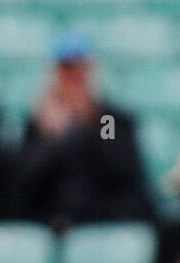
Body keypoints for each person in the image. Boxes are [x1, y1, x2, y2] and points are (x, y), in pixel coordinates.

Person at [13, 33, 153, 230]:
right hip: (54, 221)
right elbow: (25, 179)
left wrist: (90, 120)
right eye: (67, 69)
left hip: (103, 220)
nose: (75, 77)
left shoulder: (107, 118)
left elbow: (120, 168)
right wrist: (53, 138)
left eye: (81, 68)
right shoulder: (41, 123)